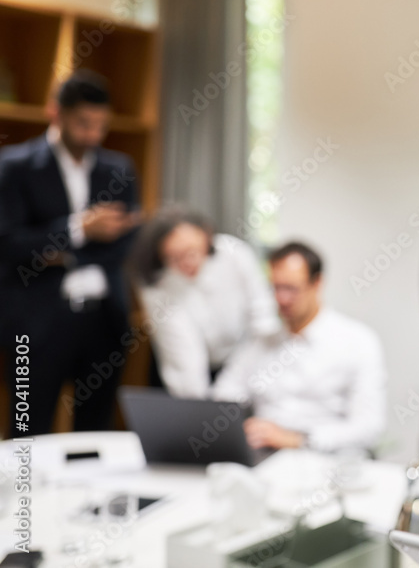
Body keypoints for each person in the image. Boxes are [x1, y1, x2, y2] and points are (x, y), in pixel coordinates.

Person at [0, 69, 141, 436]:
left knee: (95, 433)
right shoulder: (14, 167)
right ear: (56, 113)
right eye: (83, 123)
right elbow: (10, 244)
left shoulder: (119, 169)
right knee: (28, 431)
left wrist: (64, 254)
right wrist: (80, 228)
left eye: (101, 125)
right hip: (35, 321)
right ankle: (23, 496)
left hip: (102, 319)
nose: (93, 134)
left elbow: (125, 241)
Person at [213, 241, 386, 452]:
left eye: (291, 288)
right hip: (261, 454)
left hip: (322, 459)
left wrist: (297, 439)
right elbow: (223, 395)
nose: (282, 299)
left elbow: (369, 427)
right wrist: (241, 427)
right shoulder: (260, 342)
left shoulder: (357, 342)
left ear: (317, 283)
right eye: (275, 288)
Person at [128, 206, 280, 398]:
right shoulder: (157, 284)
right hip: (184, 369)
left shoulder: (235, 254)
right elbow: (184, 355)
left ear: (207, 236)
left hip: (243, 359)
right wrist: (200, 408)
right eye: (174, 258)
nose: (187, 263)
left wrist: (242, 381)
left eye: (192, 252)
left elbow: (262, 318)